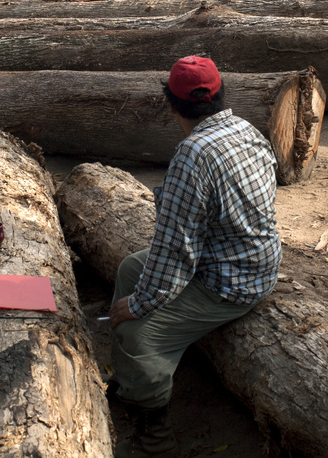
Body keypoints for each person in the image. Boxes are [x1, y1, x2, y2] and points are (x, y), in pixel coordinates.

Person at [106, 56, 281, 458]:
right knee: (132, 265)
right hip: (252, 257)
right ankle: (132, 380)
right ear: (220, 95)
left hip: (230, 282)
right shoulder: (246, 129)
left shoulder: (193, 154)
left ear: (172, 104)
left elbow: (176, 250)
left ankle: (154, 432)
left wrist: (136, 306)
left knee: (137, 336)